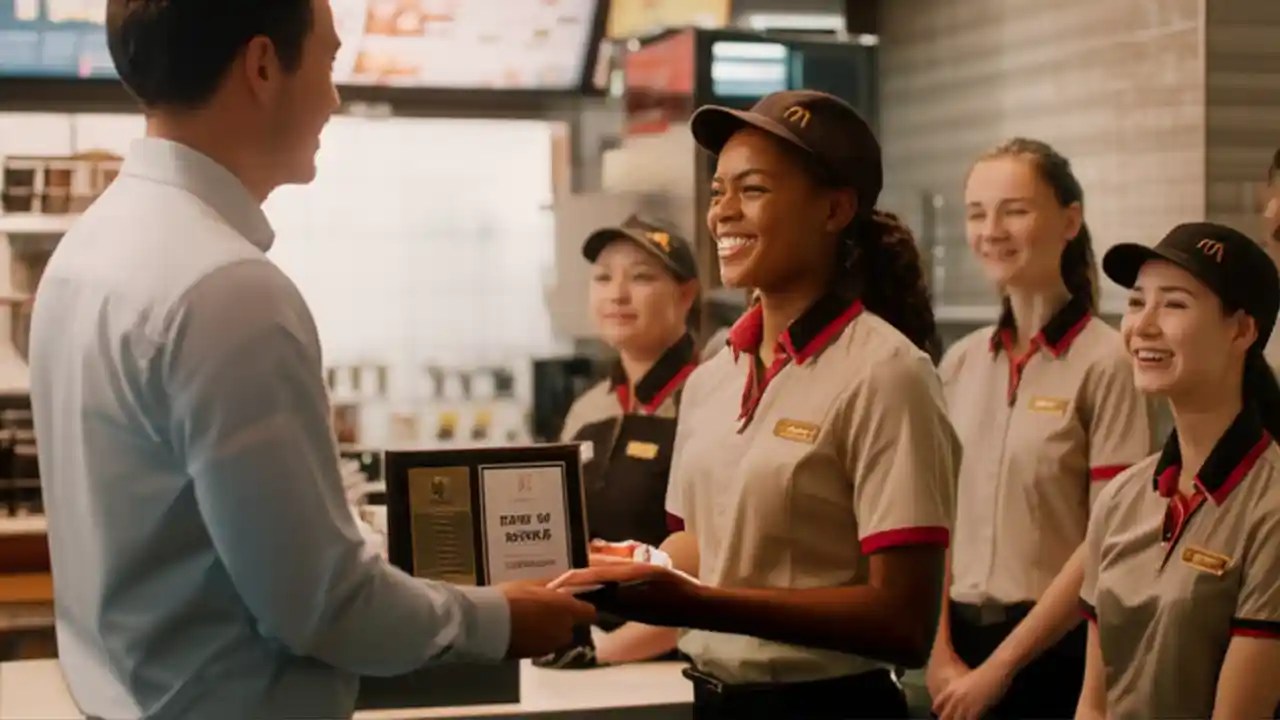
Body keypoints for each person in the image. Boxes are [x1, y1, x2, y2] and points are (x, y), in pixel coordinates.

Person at [28, 2, 594, 718]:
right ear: (263, 66)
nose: (334, 97)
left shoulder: (86, 252)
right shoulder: (226, 289)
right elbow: (325, 606)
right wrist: (501, 619)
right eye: (328, 63)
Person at [550, 89, 960, 720]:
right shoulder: (714, 378)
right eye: (718, 192)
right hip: (713, 700)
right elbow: (697, 548)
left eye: (754, 190)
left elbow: (903, 620)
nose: (723, 214)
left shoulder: (888, 374)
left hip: (829, 708)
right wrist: (635, 566)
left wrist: (695, 603)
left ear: (834, 209)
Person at [925, 139, 1153, 719]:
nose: (992, 229)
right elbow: (938, 520)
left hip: (1056, 657)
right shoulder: (961, 363)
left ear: (1070, 220)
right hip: (955, 654)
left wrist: (1002, 668)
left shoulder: (1110, 364)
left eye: (1015, 209)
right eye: (978, 213)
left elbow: (1107, 545)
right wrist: (938, 652)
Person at [1076, 222, 1280, 719]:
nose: (1143, 325)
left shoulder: (1270, 505)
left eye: (1174, 304)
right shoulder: (1123, 496)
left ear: (1242, 330)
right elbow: (1094, 703)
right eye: (1135, 301)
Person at [535, 215, 700, 669]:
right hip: (588, 656)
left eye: (642, 277)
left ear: (686, 294)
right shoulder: (588, 409)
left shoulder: (712, 399)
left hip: (677, 665)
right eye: (603, 278)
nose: (617, 294)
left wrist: (609, 651)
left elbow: (722, 563)